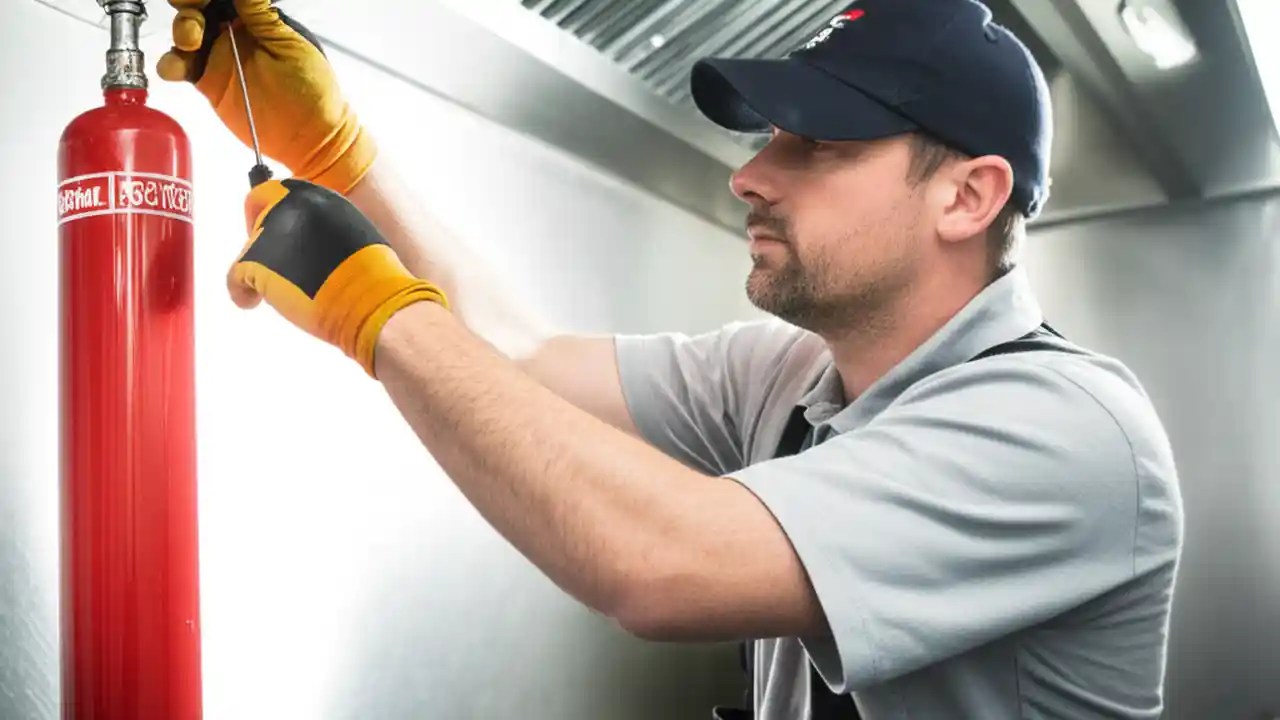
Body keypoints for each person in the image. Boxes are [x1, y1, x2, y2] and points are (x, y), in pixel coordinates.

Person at [160, 0, 1184, 717]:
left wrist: (381, 315)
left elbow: (660, 566)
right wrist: (337, 154)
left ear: (966, 197)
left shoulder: (1063, 429)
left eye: (818, 144)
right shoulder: (786, 376)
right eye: (769, 135)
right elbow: (521, 356)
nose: (749, 175)